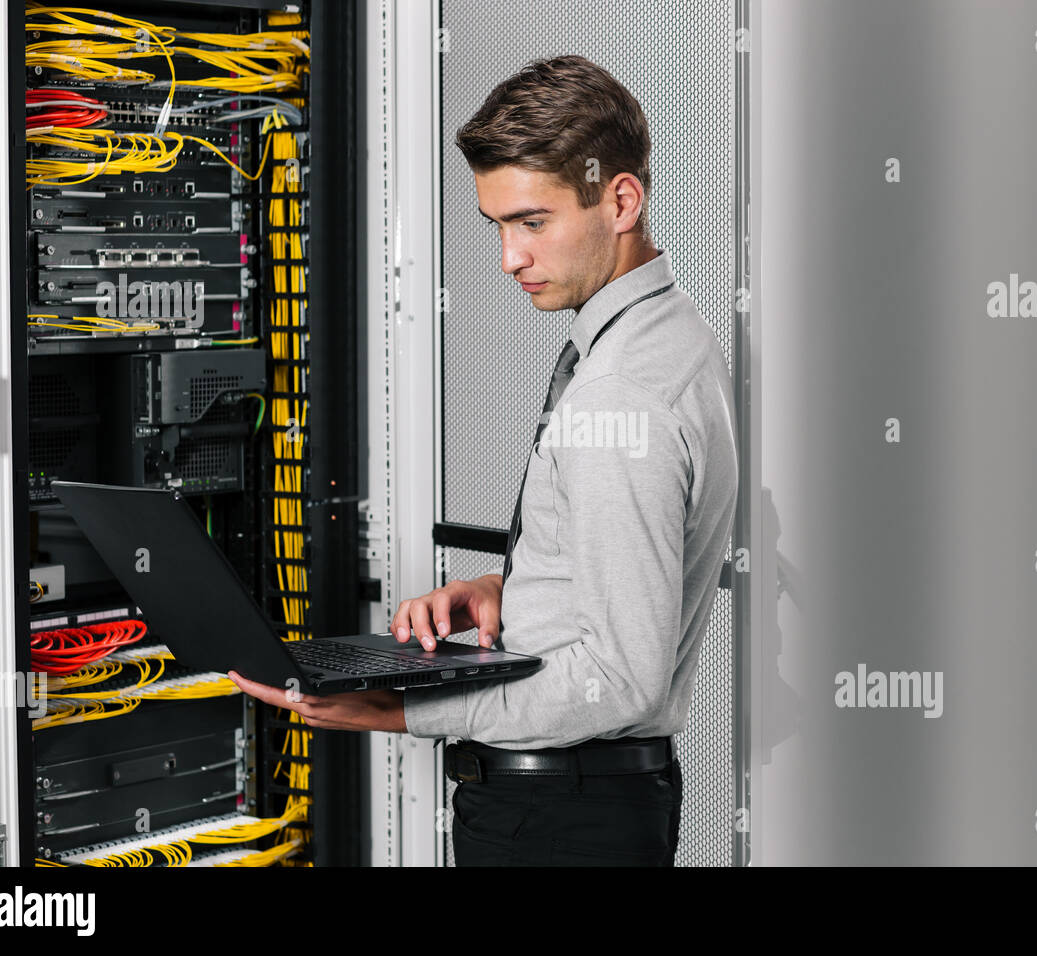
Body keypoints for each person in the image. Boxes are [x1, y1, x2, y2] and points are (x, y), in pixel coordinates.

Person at [231, 54, 738, 866]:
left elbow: (622, 679)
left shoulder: (619, 395)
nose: (509, 257)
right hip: (585, 806)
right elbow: (630, 569)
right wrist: (512, 589)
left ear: (621, 200)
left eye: (532, 221)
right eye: (497, 226)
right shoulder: (670, 340)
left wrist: (394, 711)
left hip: (558, 819)